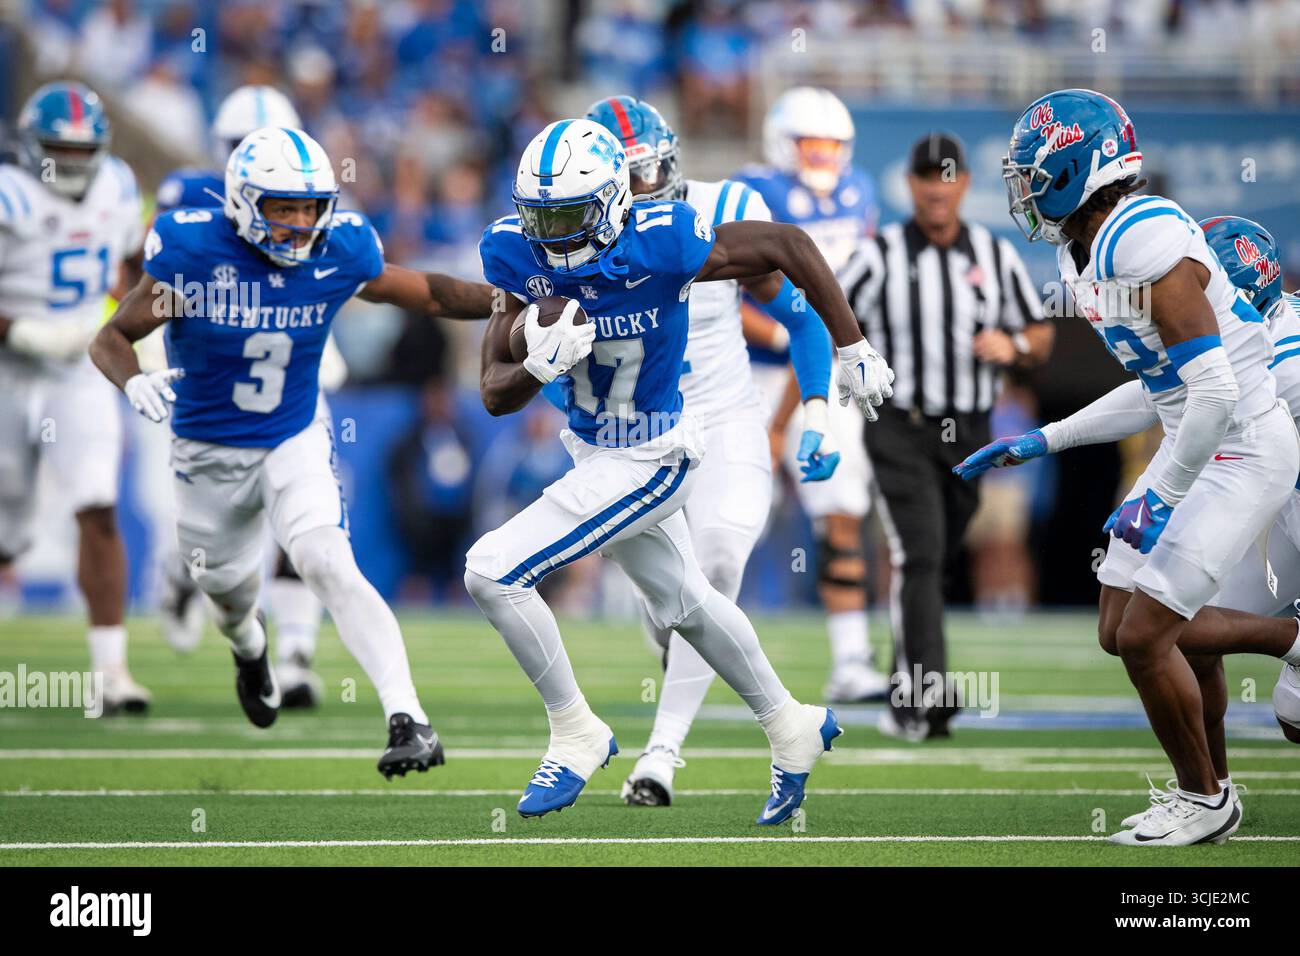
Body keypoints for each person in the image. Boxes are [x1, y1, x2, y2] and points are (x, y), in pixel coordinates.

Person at [467, 117, 894, 823]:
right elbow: (492, 391)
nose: (553, 235)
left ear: (612, 202)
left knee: (490, 570)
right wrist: (537, 365)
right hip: (593, 449)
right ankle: (790, 723)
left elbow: (787, 243)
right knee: (689, 603)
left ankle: (575, 730)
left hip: (654, 454)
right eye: (541, 218)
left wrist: (851, 347)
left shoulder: (665, 239)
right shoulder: (514, 251)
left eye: (570, 216)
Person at [89, 126, 495, 777]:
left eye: (310, 208)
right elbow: (112, 336)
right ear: (244, 202)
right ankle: (250, 651)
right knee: (229, 598)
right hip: (207, 454)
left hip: (291, 437)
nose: (301, 223)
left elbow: (428, 292)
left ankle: (409, 719)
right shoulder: (195, 255)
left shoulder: (339, 251)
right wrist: (132, 378)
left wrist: (509, 300)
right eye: (284, 208)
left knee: (326, 560)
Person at [960, 90, 1299, 845]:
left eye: (1033, 175)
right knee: (1119, 629)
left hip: (1243, 444)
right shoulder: (1081, 251)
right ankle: (1219, 775)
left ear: (1076, 169)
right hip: (1196, 436)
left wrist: (1161, 495)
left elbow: (1214, 391)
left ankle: (1204, 798)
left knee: (1149, 636)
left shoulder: (1142, 236)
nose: (1023, 191)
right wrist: (1046, 439)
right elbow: (1158, 388)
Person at [585, 95, 839, 807]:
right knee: (670, 605)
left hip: (726, 420)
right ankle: (673, 632)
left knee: (719, 562)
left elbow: (799, 314)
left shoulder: (721, 208)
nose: (646, 186)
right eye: (628, 176)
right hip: (638, 434)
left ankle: (660, 757)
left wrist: (816, 410)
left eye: (653, 168)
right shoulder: (575, 237)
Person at [837, 131, 1053, 740]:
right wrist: (845, 375)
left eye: (948, 176)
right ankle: (921, 697)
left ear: (964, 185)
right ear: (911, 185)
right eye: (927, 177)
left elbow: (1040, 334)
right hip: (900, 427)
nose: (937, 188)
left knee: (936, 554)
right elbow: (826, 307)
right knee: (921, 553)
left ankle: (911, 679)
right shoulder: (878, 254)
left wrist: (1012, 344)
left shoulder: (993, 252)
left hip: (972, 435)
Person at [150, 85, 335, 709]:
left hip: (292, 363)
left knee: (307, 515)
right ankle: (183, 573)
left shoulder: (308, 197)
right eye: (239, 146)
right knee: (215, 521)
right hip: (210, 372)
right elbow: (148, 281)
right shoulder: (189, 202)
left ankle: (297, 654)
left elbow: (328, 271)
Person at [735, 87, 889, 703]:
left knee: (841, 509)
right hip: (751, 373)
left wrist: (815, 341)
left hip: (822, 369)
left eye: (831, 145)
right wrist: (783, 331)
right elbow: (717, 293)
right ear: (783, 143)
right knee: (734, 513)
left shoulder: (860, 192)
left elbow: (843, 297)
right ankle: (681, 633)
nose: (823, 156)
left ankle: (850, 659)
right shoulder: (753, 190)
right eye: (811, 144)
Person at [0, 81, 149, 714]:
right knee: (6, 534)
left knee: (98, 506)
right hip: (8, 371)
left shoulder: (118, 186)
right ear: (33, 147)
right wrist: (20, 330)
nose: (73, 161)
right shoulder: (9, 196)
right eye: (60, 148)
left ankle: (111, 673)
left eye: (83, 149)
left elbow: (133, 265)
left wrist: (137, 323)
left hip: (80, 368)